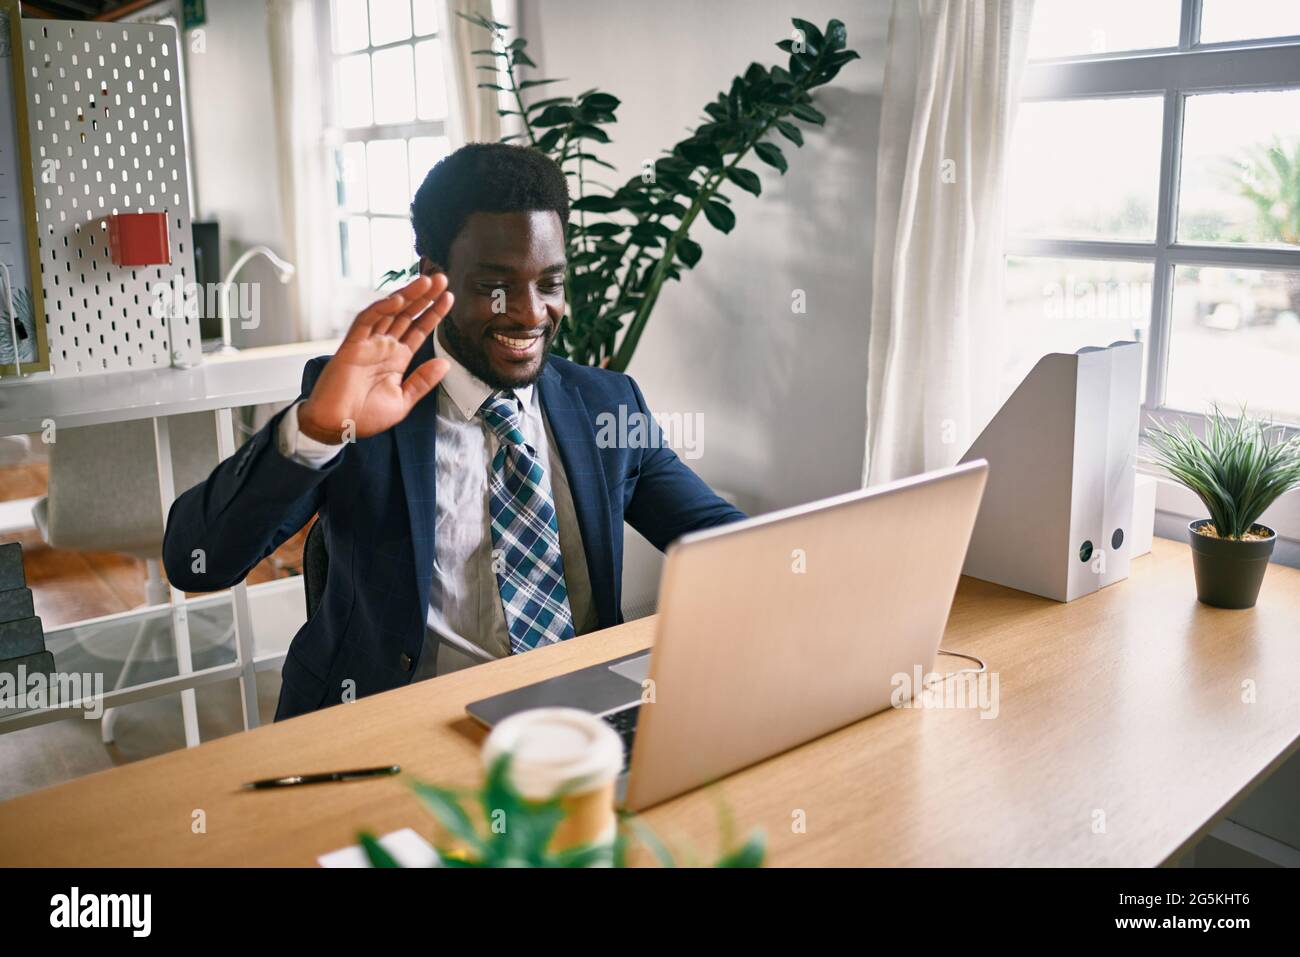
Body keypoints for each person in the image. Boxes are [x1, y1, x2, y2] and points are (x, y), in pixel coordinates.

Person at [162, 143, 745, 720]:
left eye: (550, 283)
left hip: (579, 725)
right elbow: (198, 562)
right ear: (434, 279)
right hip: (400, 725)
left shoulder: (606, 404)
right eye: (497, 287)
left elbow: (726, 540)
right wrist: (316, 428)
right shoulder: (361, 404)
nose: (530, 312)